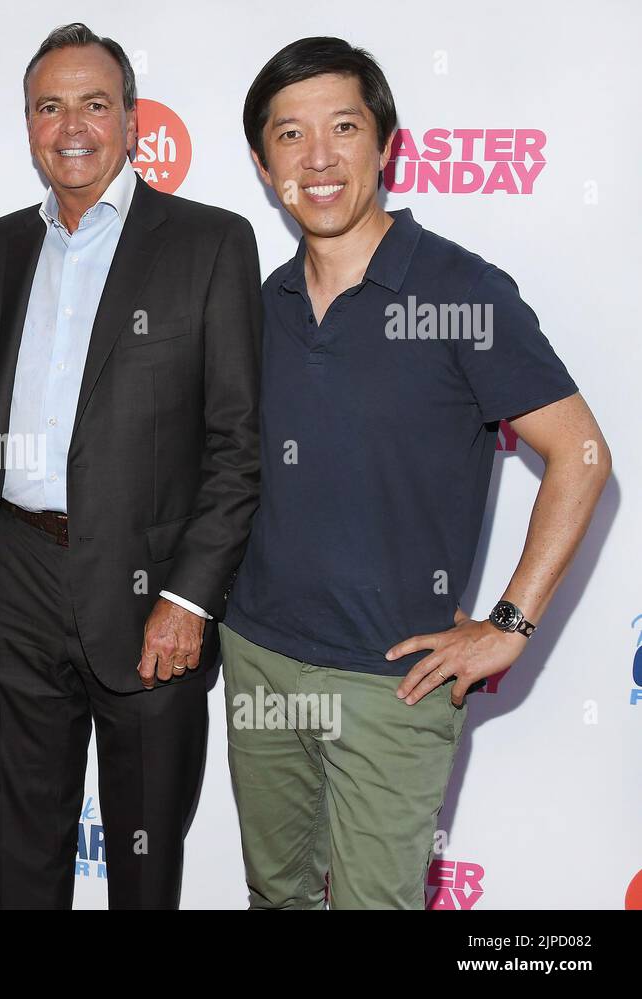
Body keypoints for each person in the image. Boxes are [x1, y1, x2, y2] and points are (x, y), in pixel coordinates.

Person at [222, 36, 611, 908]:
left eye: (344, 127)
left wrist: (510, 623)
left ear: (386, 145)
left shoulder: (461, 291)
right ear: (263, 164)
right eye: (290, 135)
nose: (318, 158)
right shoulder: (259, 302)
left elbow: (582, 454)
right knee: (276, 895)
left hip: (393, 681)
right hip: (259, 658)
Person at [0, 23, 262, 908]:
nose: (71, 127)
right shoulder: (0, 245)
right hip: (16, 584)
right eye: (48, 107)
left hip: (150, 598)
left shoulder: (211, 241)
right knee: (23, 857)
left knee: (143, 865)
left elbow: (238, 444)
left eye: (94, 104)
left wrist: (189, 599)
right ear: (28, 124)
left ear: (133, 120)